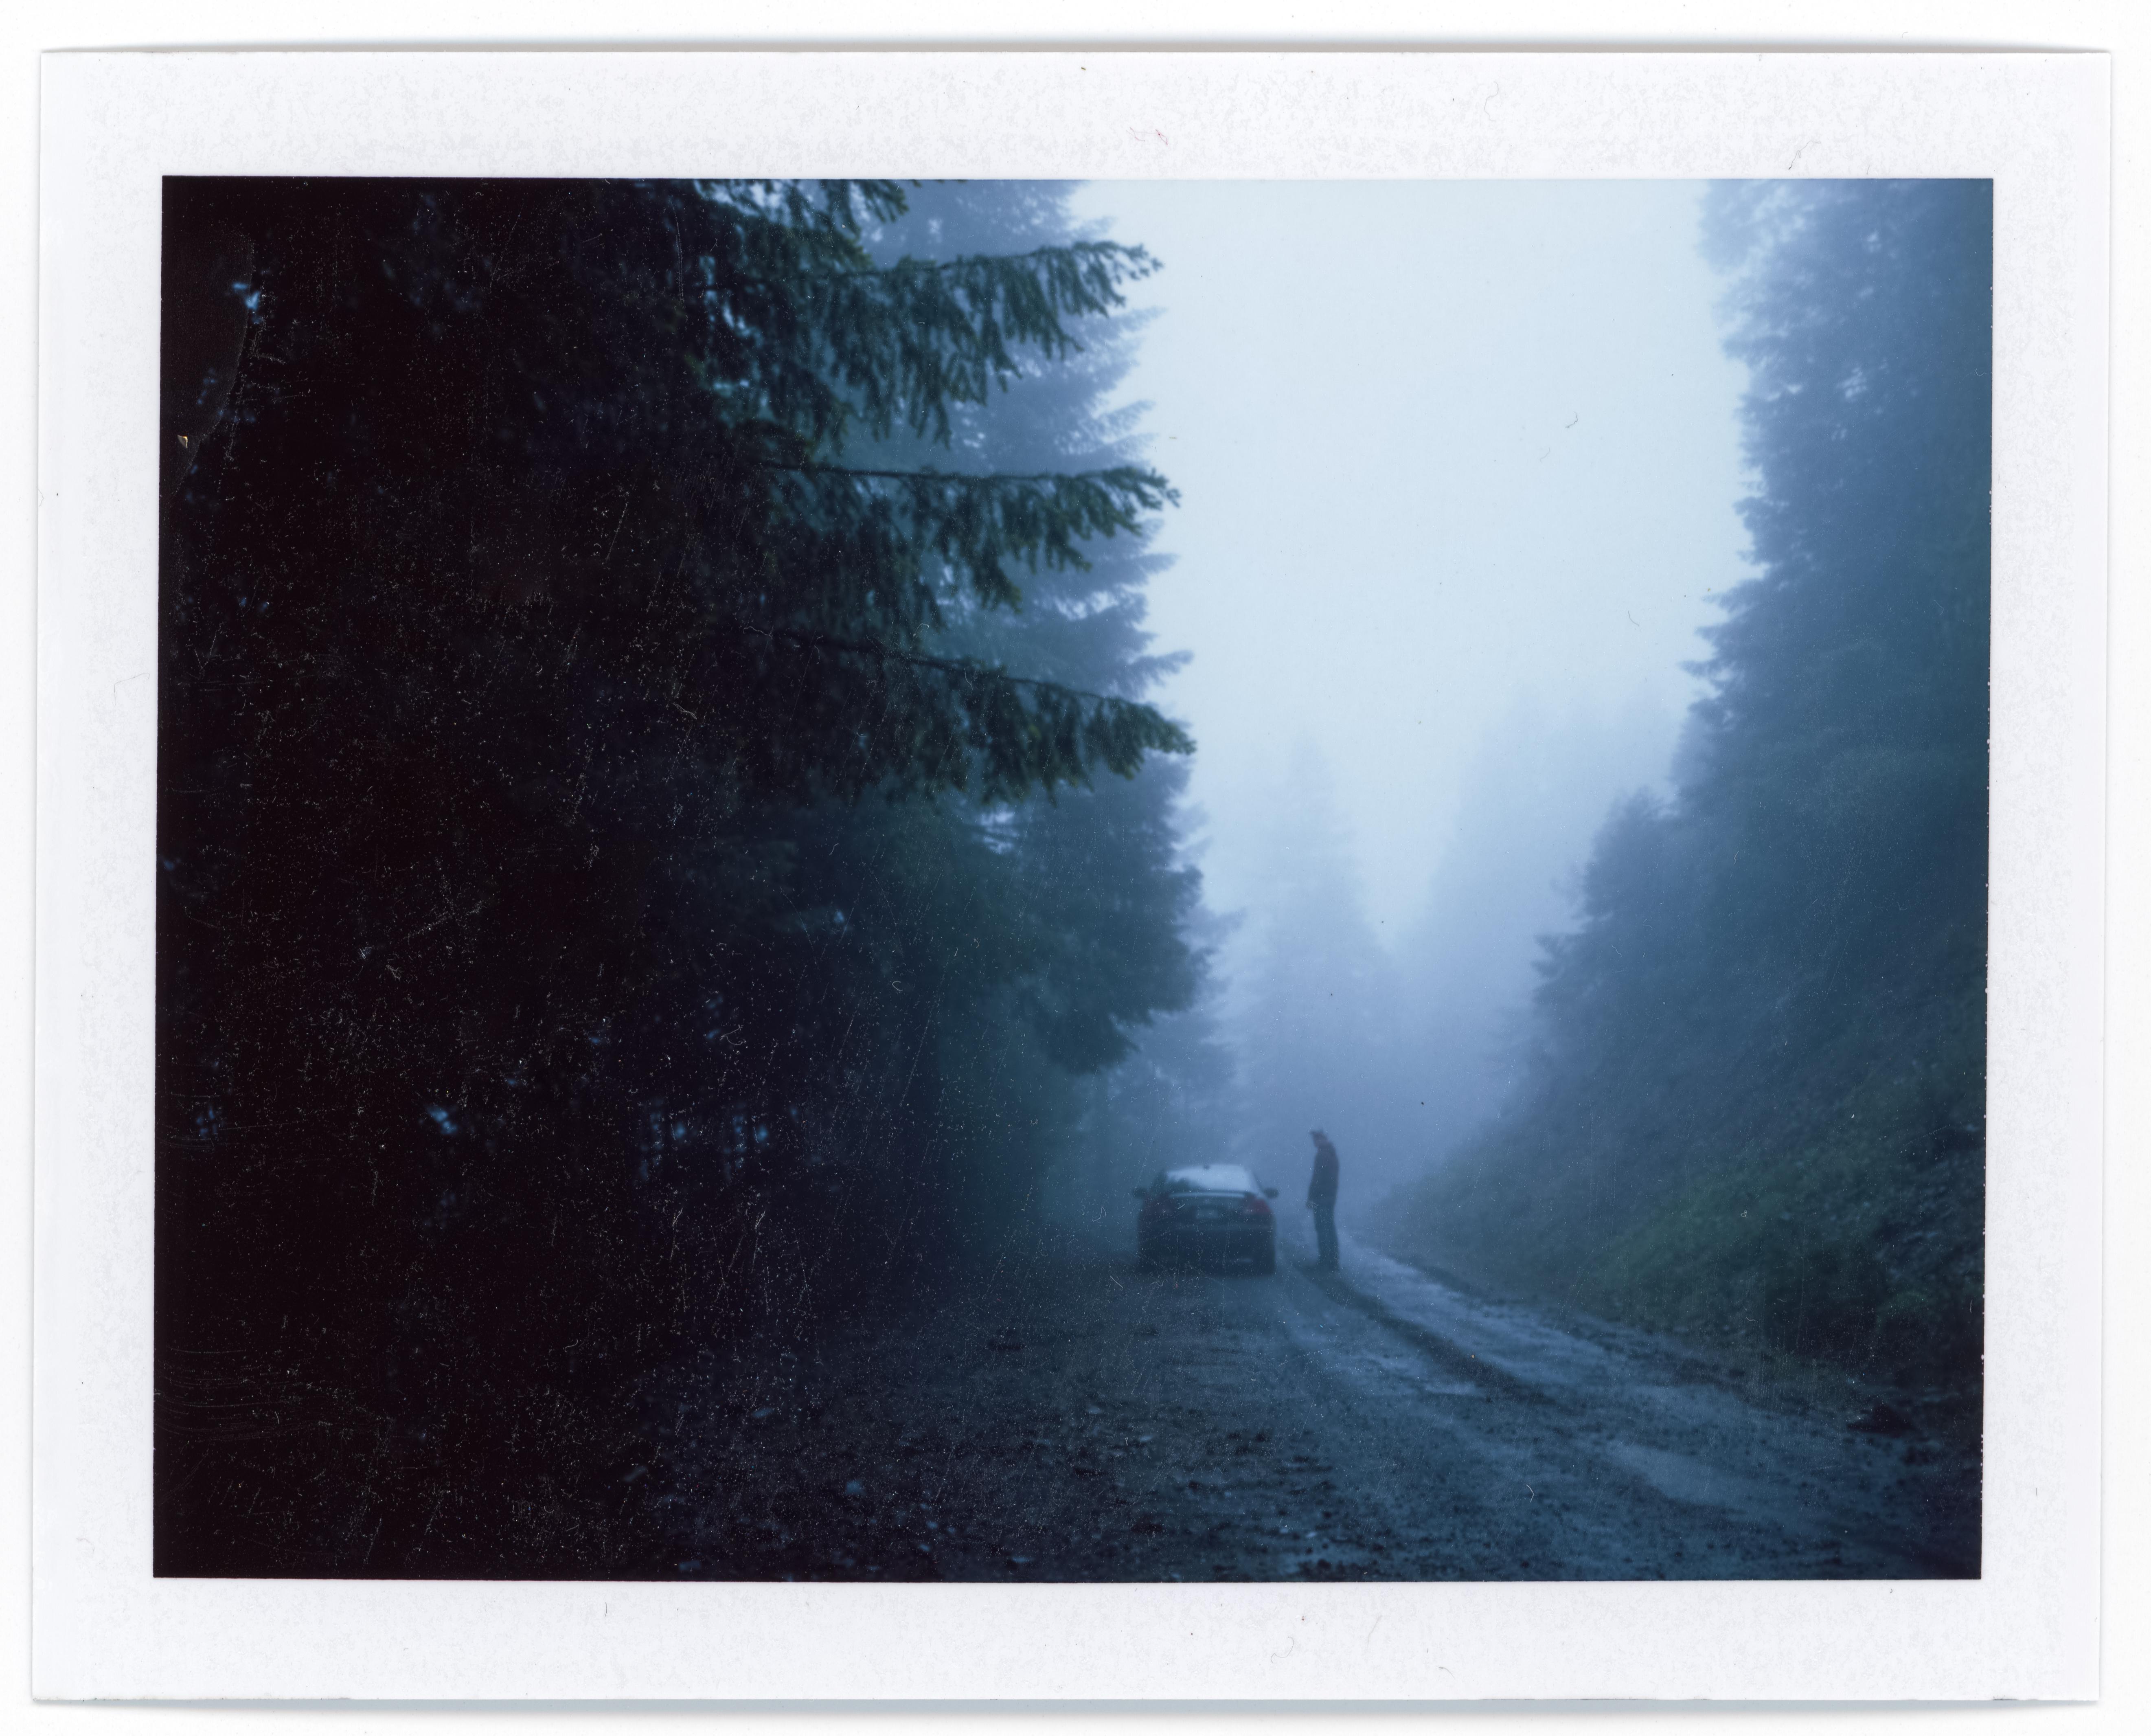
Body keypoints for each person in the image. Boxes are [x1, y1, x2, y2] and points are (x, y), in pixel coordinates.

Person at [1306, 1130, 1340, 1271]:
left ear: (1322, 1139)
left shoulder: (1321, 1155)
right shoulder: (1333, 1154)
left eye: (1316, 1139)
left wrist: (1310, 1198)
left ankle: (1324, 1261)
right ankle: (1334, 1262)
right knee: (1330, 1228)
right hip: (1331, 1196)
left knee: (1322, 1229)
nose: (1315, 1142)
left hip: (1321, 1197)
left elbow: (1317, 1178)